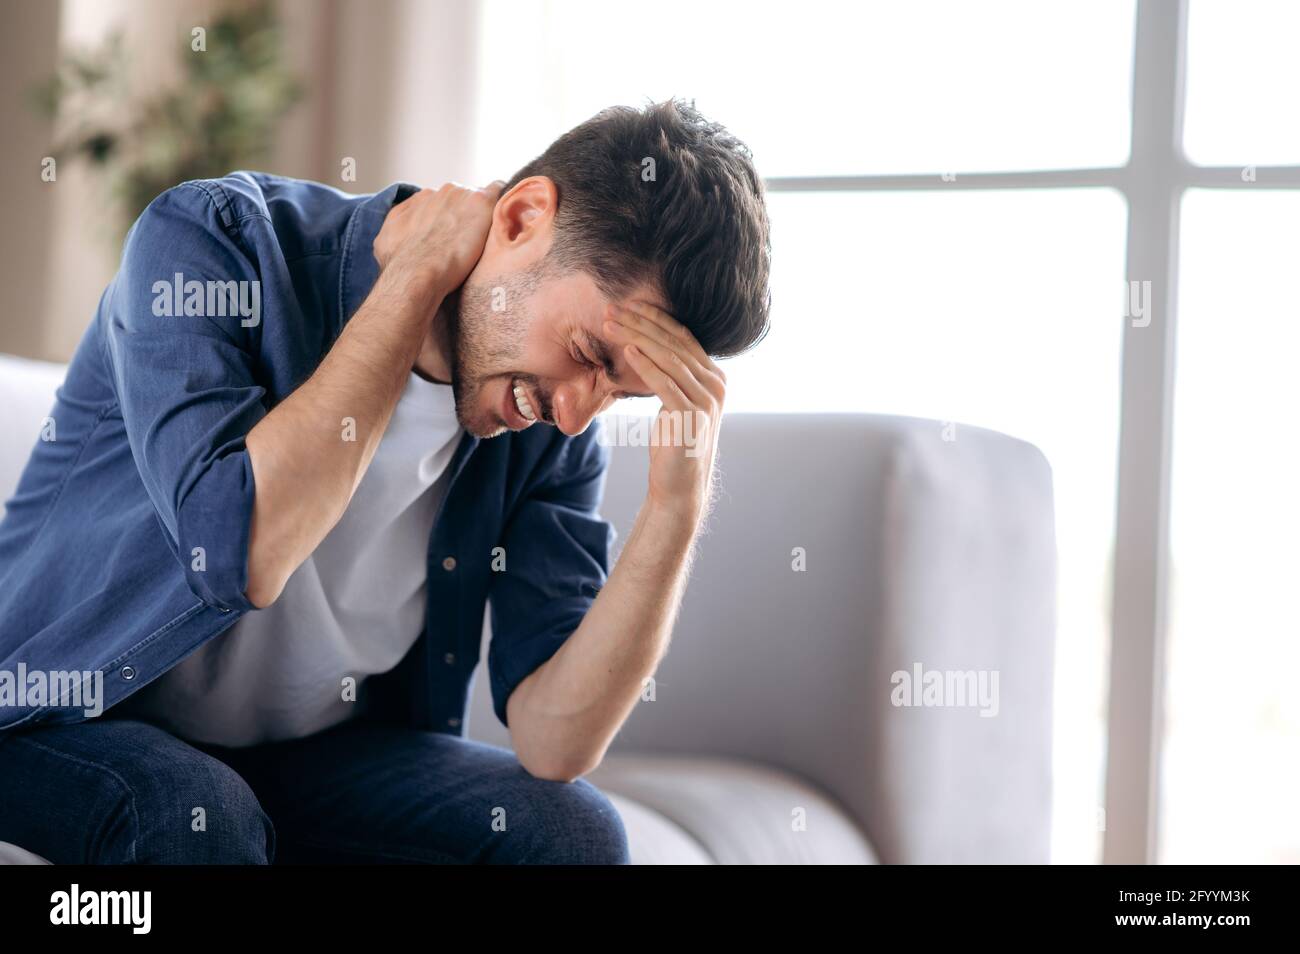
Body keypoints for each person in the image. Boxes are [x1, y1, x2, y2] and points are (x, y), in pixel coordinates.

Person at [0, 98, 771, 864]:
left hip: (306, 756)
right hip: (60, 713)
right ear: (521, 217)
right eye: (590, 354)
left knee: (572, 834)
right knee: (193, 809)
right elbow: (240, 551)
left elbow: (555, 742)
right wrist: (413, 280)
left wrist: (677, 507)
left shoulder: (549, 434)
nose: (575, 414)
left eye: (621, 395)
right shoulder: (214, 240)